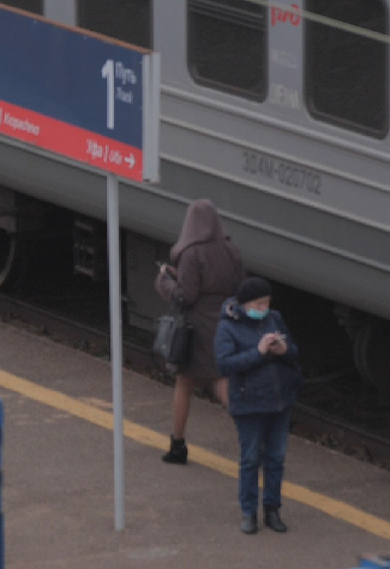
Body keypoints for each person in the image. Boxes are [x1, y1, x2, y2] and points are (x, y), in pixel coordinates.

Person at [155, 198, 244, 464]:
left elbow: (186, 296)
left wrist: (164, 281)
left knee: (185, 382)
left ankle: (178, 445)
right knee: (223, 379)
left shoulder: (192, 253)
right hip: (227, 324)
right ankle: (253, 439)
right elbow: (241, 286)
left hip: (197, 329)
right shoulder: (231, 250)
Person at [215, 276, 303, 535]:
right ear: (244, 304)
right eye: (258, 304)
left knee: (276, 459)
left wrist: (284, 350)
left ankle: (273, 509)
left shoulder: (274, 319)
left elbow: (294, 353)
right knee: (251, 459)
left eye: (266, 303)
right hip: (249, 404)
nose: (263, 309)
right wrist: (259, 351)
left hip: (279, 403)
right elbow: (225, 364)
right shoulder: (227, 328)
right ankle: (249, 512)